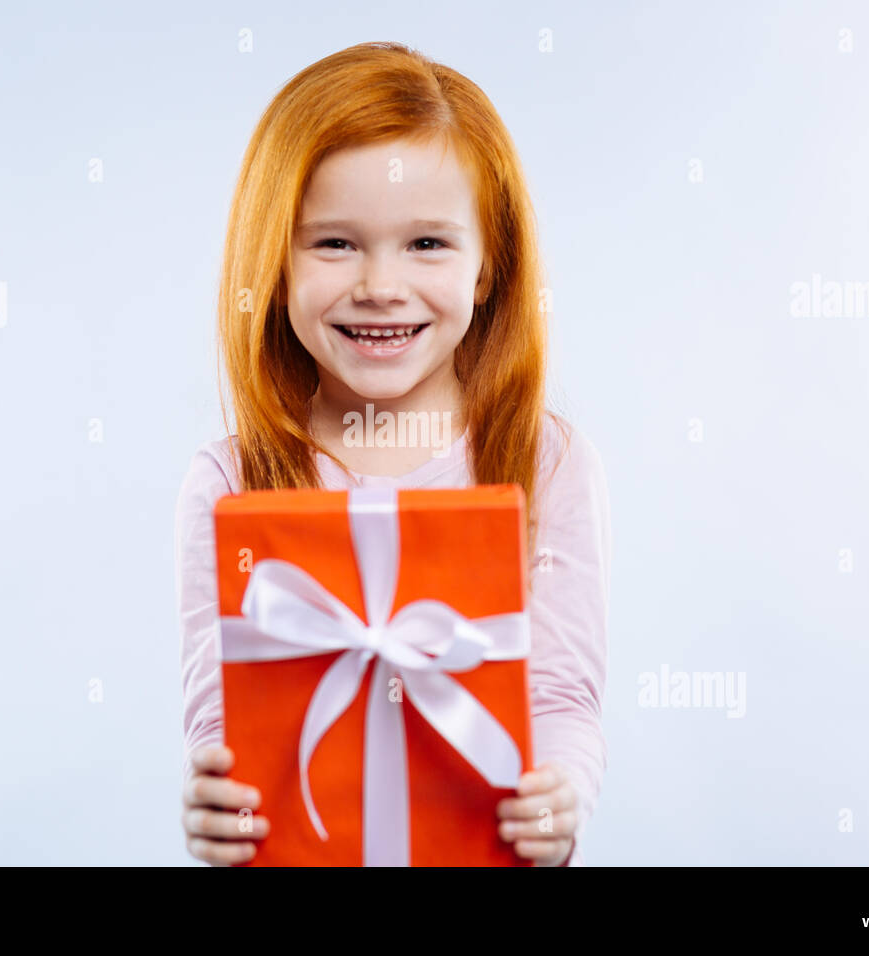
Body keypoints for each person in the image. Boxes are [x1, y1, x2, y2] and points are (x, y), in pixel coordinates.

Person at [176, 41, 611, 866]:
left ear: (489, 270)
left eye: (427, 245)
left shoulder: (546, 461)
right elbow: (221, 720)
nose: (380, 284)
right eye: (334, 244)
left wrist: (559, 796)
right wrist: (214, 803)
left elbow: (556, 696)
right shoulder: (229, 479)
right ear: (274, 266)